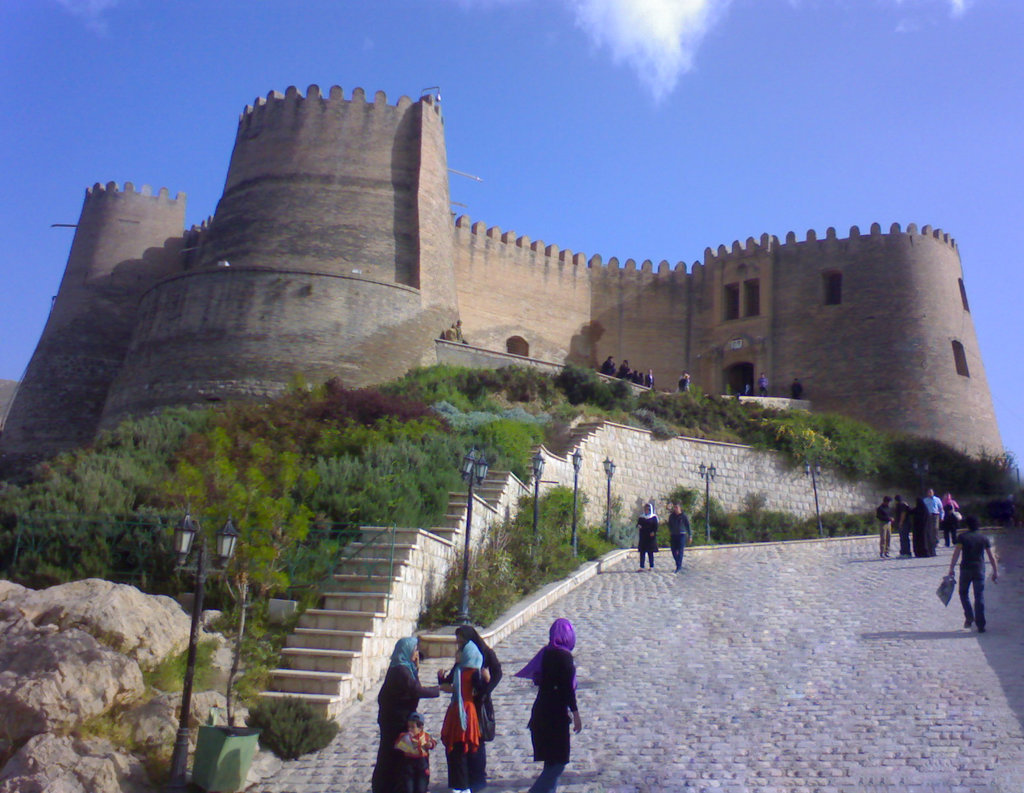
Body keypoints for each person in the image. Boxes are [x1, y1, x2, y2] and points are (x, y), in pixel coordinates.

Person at [515, 618, 582, 793]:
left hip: (541, 713)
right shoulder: (564, 657)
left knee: (551, 763)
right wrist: (576, 715)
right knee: (558, 763)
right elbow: (568, 690)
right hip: (555, 716)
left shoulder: (546, 653)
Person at [373, 637, 440, 793]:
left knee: (400, 754)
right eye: (415, 649)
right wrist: (438, 689)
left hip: (399, 717)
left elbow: (415, 685)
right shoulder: (400, 670)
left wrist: (416, 667)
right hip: (394, 719)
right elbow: (416, 690)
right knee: (390, 753)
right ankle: (384, 788)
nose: (416, 652)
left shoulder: (405, 667)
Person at [444, 625, 502, 792]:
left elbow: (497, 674)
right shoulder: (464, 655)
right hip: (464, 703)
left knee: (478, 740)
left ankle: (478, 779)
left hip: (479, 703)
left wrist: (485, 688)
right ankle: (465, 780)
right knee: (464, 742)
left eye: (462, 640)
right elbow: (455, 675)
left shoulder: (485, 653)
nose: (459, 643)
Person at [440, 641, 489, 793]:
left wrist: (441, 680)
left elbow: (453, 689)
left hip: (458, 711)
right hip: (466, 711)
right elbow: (481, 693)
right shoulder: (471, 672)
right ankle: (464, 785)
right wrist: (486, 680)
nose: (457, 654)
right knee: (463, 747)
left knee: (458, 747)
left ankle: (460, 785)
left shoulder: (461, 671)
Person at [946, 515, 998, 632]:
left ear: (967, 525)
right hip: (979, 569)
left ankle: (969, 616)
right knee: (979, 596)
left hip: (965, 569)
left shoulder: (962, 537)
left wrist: (951, 568)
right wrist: (995, 571)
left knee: (963, 593)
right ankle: (981, 624)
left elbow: (956, 553)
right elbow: (991, 556)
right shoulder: (983, 538)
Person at [395, 712, 437, 793]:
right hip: (409, 763)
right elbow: (397, 745)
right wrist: (404, 744)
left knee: (421, 787)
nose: (410, 729)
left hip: (422, 763)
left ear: (420, 727)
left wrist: (430, 744)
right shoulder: (404, 736)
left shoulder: (425, 736)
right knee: (408, 788)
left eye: (413, 727)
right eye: (409, 727)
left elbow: (433, 743)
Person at [667, 502, 691, 572]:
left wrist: (690, 535)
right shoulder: (671, 516)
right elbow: (670, 525)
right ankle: (678, 563)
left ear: (680, 508)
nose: (675, 509)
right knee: (673, 551)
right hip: (673, 535)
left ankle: (679, 566)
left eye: (677, 507)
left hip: (681, 535)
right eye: (674, 508)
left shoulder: (684, 516)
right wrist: (671, 531)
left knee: (680, 551)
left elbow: (687, 526)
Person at [636, 502, 658, 571]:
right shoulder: (641, 517)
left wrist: (653, 532)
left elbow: (656, 526)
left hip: (650, 537)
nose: (646, 510)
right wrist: (639, 526)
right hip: (643, 537)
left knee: (650, 552)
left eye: (648, 509)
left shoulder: (654, 517)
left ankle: (651, 566)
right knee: (642, 552)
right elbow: (638, 524)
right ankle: (642, 566)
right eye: (645, 509)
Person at [923, 488, 943, 556]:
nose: (930, 493)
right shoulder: (925, 500)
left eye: (931, 492)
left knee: (935, 528)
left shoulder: (937, 499)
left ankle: (936, 542)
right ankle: (931, 542)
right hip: (928, 516)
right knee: (929, 530)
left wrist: (942, 516)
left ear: (933, 493)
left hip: (935, 515)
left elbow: (941, 508)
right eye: (929, 492)